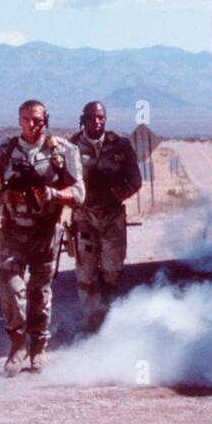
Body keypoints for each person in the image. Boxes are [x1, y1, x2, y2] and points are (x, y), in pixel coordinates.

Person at [0, 100, 85, 374]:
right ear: (19, 120)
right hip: (13, 231)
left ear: (46, 120)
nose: (32, 124)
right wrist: (5, 195)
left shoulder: (62, 151)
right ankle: (17, 345)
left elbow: (79, 193)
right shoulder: (2, 151)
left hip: (46, 232)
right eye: (26, 119)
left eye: (37, 119)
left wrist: (54, 195)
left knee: (40, 292)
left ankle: (38, 348)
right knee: (12, 289)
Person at [68, 102, 143, 330]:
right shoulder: (71, 147)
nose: (97, 121)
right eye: (92, 117)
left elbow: (135, 180)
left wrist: (116, 193)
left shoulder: (119, 145)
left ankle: (110, 317)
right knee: (86, 273)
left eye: (101, 117)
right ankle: (93, 324)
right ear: (84, 119)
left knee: (112, 270)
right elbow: (61, 180)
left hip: (112, 216)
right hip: (84, 216)